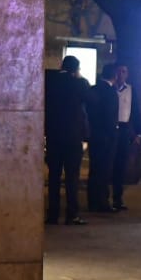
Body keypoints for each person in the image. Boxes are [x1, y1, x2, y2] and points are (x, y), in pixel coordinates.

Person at [44, 56, 90, 226]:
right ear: (76, 69)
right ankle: (72, 214)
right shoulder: (79, 84)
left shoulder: (51, 82)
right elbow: (91, 101)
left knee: (54, 176)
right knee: (72, 177)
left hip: (54, 136)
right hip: (73, 137)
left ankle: (53, 214)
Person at [86, 64, 121, 213]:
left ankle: (92, 201)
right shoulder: (111, 92)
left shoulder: (93, 89)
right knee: (105, 170)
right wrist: (114, 132)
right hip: (107, 136)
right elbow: (110, 116)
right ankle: (102, 202)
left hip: (94, 134)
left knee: (94, 169)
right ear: (115, 76)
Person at [110, 64, 135, 212]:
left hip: (124, 129)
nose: (121, 74)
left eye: (124, 71)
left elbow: (135, 111)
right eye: (119, 71)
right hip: (110, 129)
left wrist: (137, 133)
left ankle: (118, 199)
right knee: (108, 165)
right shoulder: (108, 88)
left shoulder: (131, 90)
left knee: (120, 165)